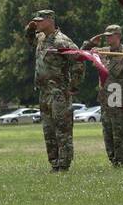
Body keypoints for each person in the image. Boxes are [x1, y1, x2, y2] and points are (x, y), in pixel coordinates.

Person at [24, 9, 82, 172]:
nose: (38, 23)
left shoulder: (62, 41)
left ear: (50, 20)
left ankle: (64, 164)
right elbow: (29, 40)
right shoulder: (41, 38)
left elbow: (78, 61)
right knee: (48, 129)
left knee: (62, 129)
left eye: (40, 20)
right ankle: (54, 163)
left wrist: (74, 86)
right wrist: (29, 28)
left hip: (59, 93)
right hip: (44, 92)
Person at [83, 25, 123, 167]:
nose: (107, 38)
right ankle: (113, 160)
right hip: (105, 99)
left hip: (120, 99)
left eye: (111, 35)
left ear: (118, 36)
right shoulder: (102, 52)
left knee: (121, 132)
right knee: (107, 132)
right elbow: (81, 54)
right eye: (106, 35)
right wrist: (90, 43)